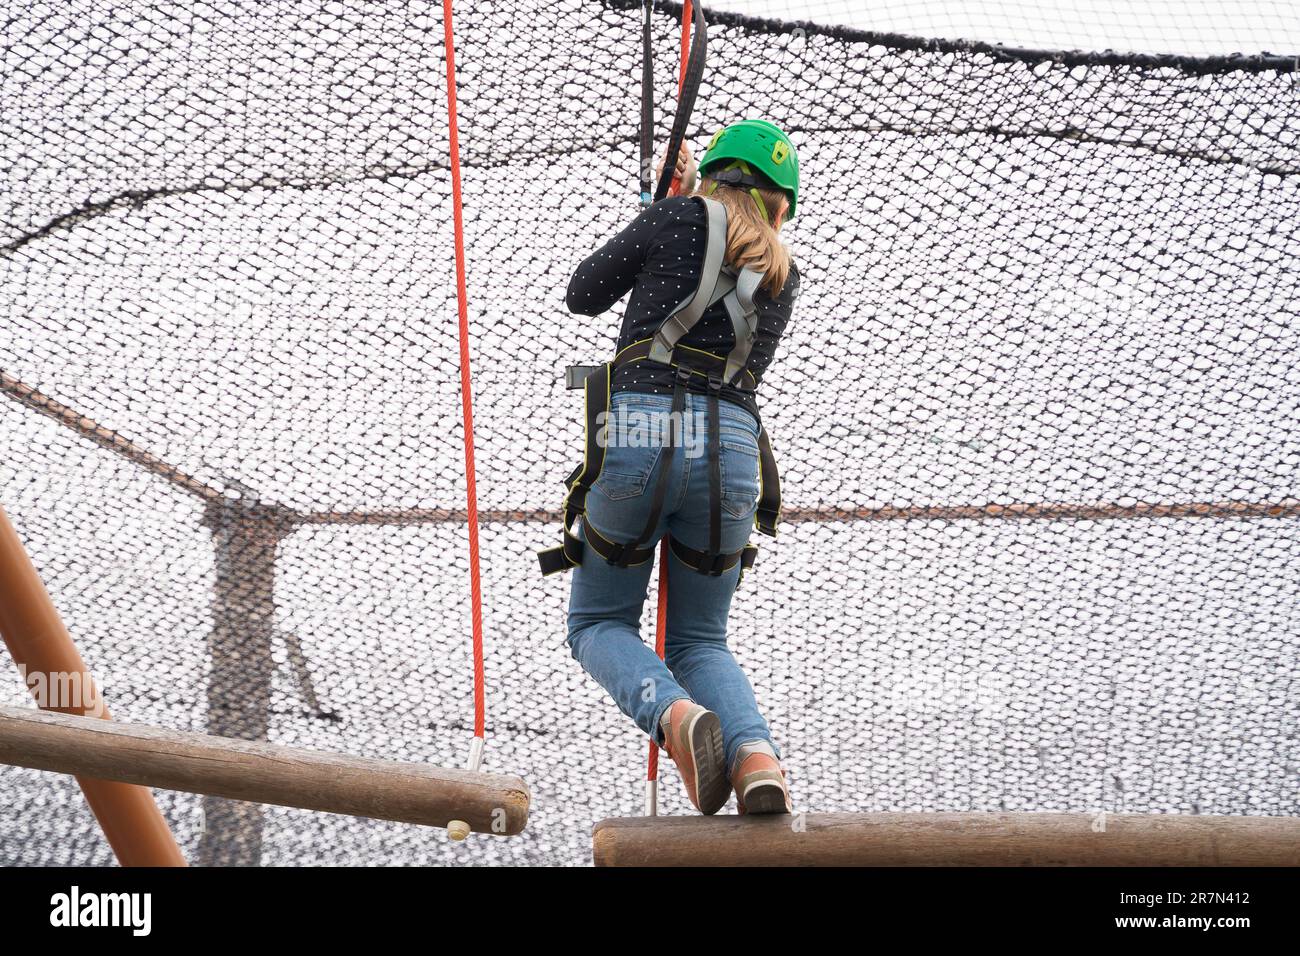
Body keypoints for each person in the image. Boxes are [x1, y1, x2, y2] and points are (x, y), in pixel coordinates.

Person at [560, 120, 800, 815]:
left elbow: (584, 293)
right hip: (731, 449)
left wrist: (663, 207)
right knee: (699, 638)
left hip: (643, 427)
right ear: (782, 205)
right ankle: (756, 758)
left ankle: (672, 714)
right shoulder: (784, 275)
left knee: (599, 621)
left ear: (713, 177)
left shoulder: (675, 219)